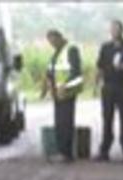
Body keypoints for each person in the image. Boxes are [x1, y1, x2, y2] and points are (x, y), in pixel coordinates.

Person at [95, 19, 123, 162]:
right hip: (108, 87)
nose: (115, 31)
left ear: (122, 31)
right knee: (107, 119)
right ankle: (104, 150)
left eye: (117, 29)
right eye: (113, 29)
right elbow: (100, 67)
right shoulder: (105, 47)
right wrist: (96, 85)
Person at [41, 30, 83, 162]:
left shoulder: (71, 50)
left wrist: (65, 86)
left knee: (66, 123)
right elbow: (50, 72)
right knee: (59, 123)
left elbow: (76, 72)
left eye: (53, 41)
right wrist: (46, 88)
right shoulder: (56, 53)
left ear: (59, 38)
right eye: (50, 42)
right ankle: (61, 151)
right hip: (57, 93)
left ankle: (66, 153)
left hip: (67, 92)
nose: (52, 44)